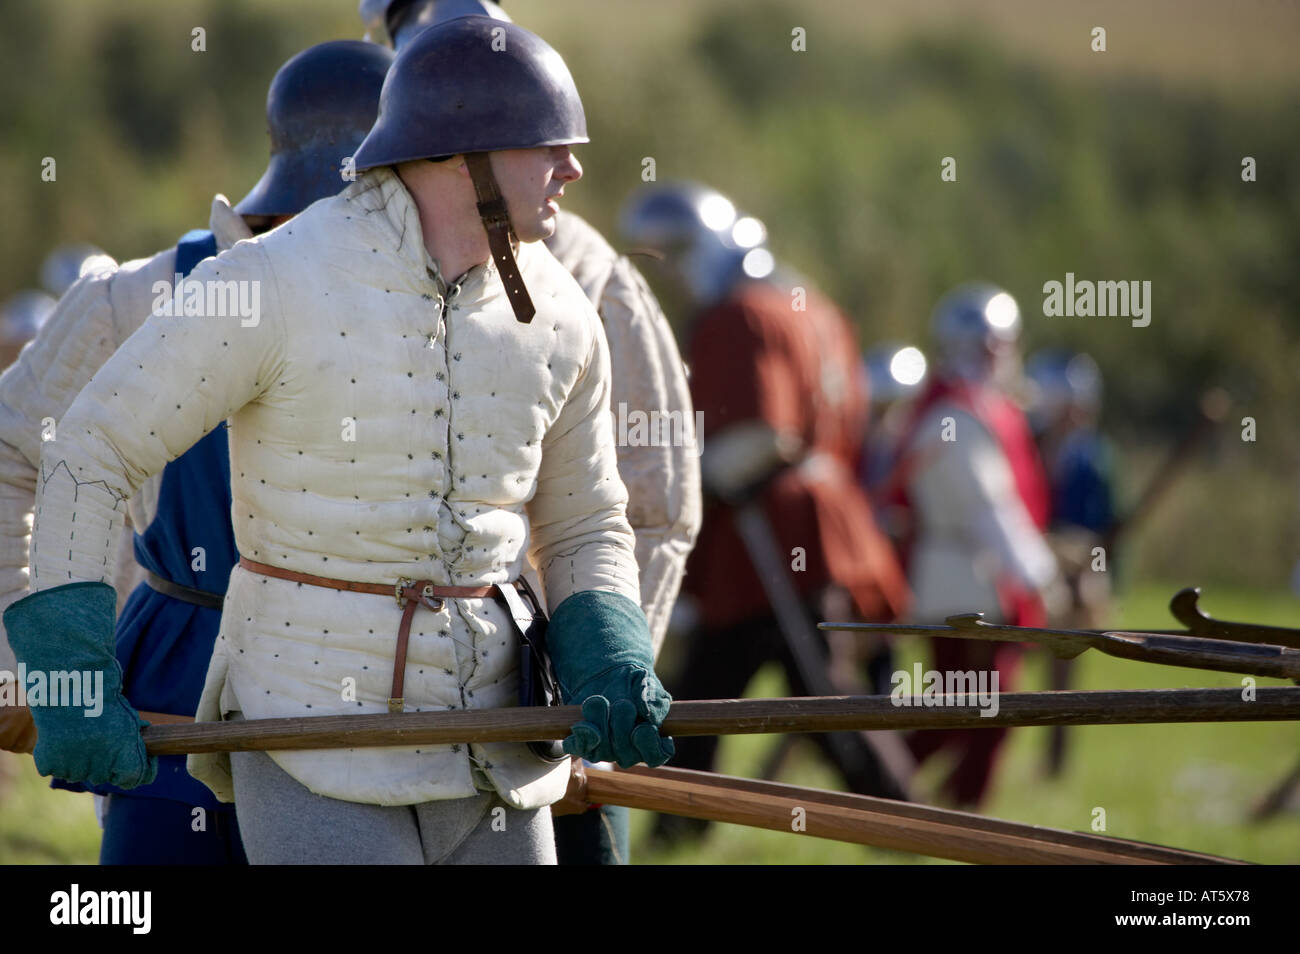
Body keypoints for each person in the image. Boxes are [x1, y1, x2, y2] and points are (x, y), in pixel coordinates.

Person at [6, 17, 672, 866]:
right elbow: (89, 451)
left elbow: (585, 524)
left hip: (500, 749)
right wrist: (69, 669)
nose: (573, 167)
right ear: (454, 150)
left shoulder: (564, 316)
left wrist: (610, 646)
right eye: (545, 141)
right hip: (309, 735)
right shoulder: (271, 279)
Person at [0, 39, 395, 864]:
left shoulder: (430, 310)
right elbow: (10, 457)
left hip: (355, 694)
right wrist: (38, 663)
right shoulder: (136, 297)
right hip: (178, 677)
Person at [362, 0, 702, 865]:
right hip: (365, 713)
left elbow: (649, 507)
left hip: (542, 697)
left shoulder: (589, 278)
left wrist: (601, 681)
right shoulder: (335, 251)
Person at [622, 182, 912, 842]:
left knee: (814, 693)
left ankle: (906, 820)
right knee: (708, 692)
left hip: (772, 531)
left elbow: (758, 437)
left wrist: (672, 488)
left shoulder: (740, 314)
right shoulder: (814, 307)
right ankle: (677, 830)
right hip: (803, 518)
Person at [886, 283, 1062, 807]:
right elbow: (991, 510)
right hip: (967, 579)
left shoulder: (963, 408)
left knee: (966, 704)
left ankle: (909, 802)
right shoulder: (957, 416)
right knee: (984, 705)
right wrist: (1042, 576)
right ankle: (915, 803)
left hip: (963, 575)